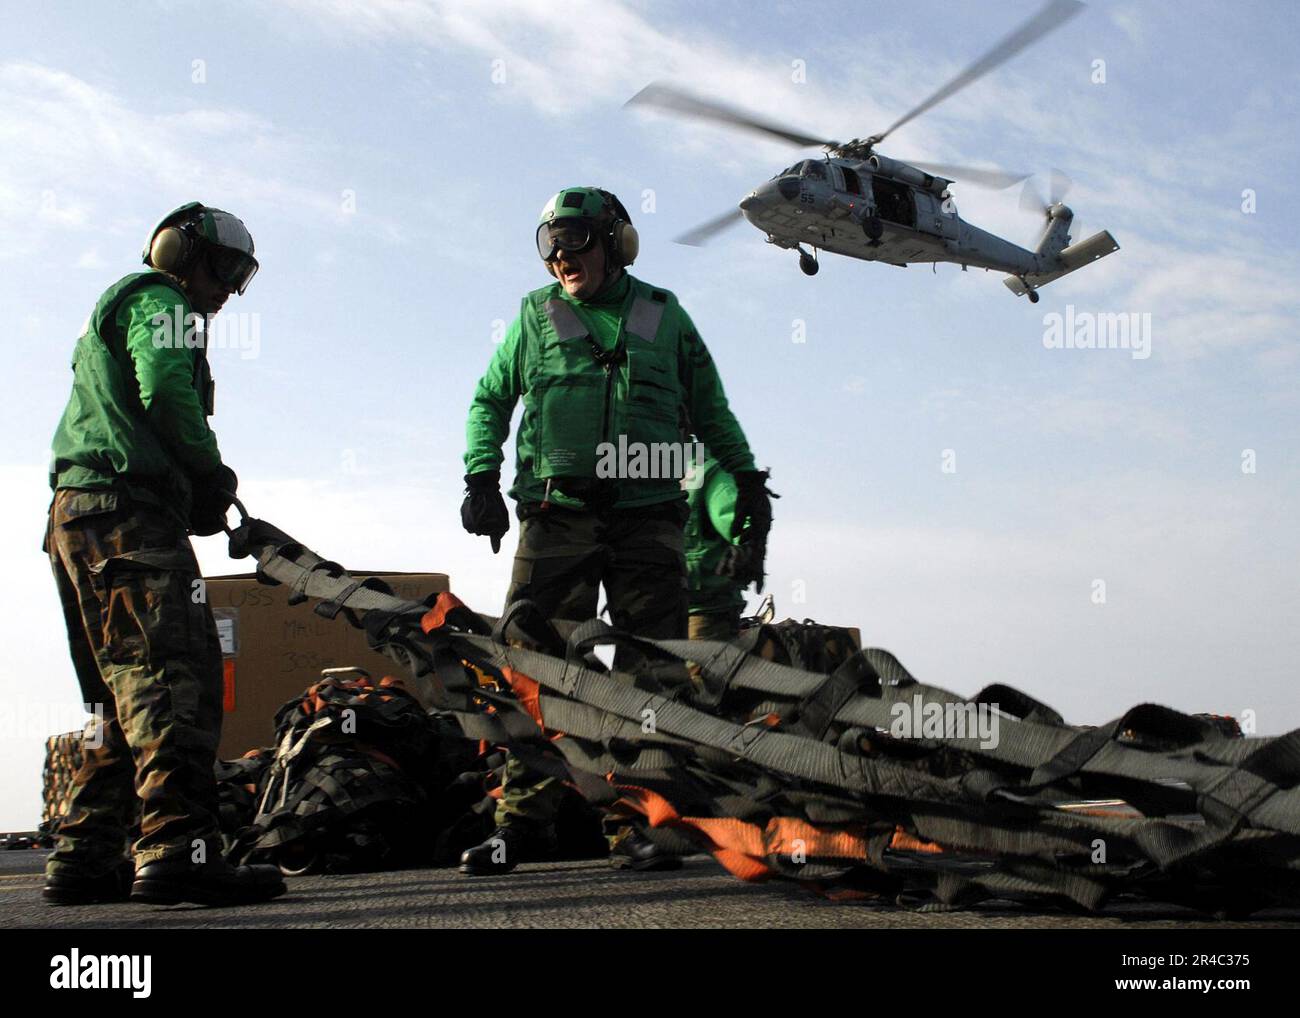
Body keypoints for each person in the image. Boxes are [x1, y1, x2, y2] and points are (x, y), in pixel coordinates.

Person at [459, 186, 772, 874]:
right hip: (556, 513)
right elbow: (491, 398)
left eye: (574, 239)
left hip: (648, 520)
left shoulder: (664, 315)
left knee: (654, 674)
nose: (561, 257)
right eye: (549, 245)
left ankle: (649, 824)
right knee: (534, 665)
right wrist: (480, 477)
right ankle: (521, 823)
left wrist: (746, 479)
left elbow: (711, 407)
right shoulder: (534, 316)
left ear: (616, 241)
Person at [42, 202, 285, 906]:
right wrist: (210, 474)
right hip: (129, 518)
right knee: (176, 679)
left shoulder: (116, 313)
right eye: (224, 269)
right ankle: (182, 850)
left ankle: (87, 855)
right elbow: (166, 388)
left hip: (78, 520)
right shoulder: (158, 302)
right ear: (181, 253)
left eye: (242, 277)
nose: (228, 290)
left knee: (117, 697)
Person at [684, 450, 769, 641]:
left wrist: (748, 544)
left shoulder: (707, 472)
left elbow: (742, 523)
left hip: (702, 616)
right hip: (640, 613)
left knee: (698, 670)